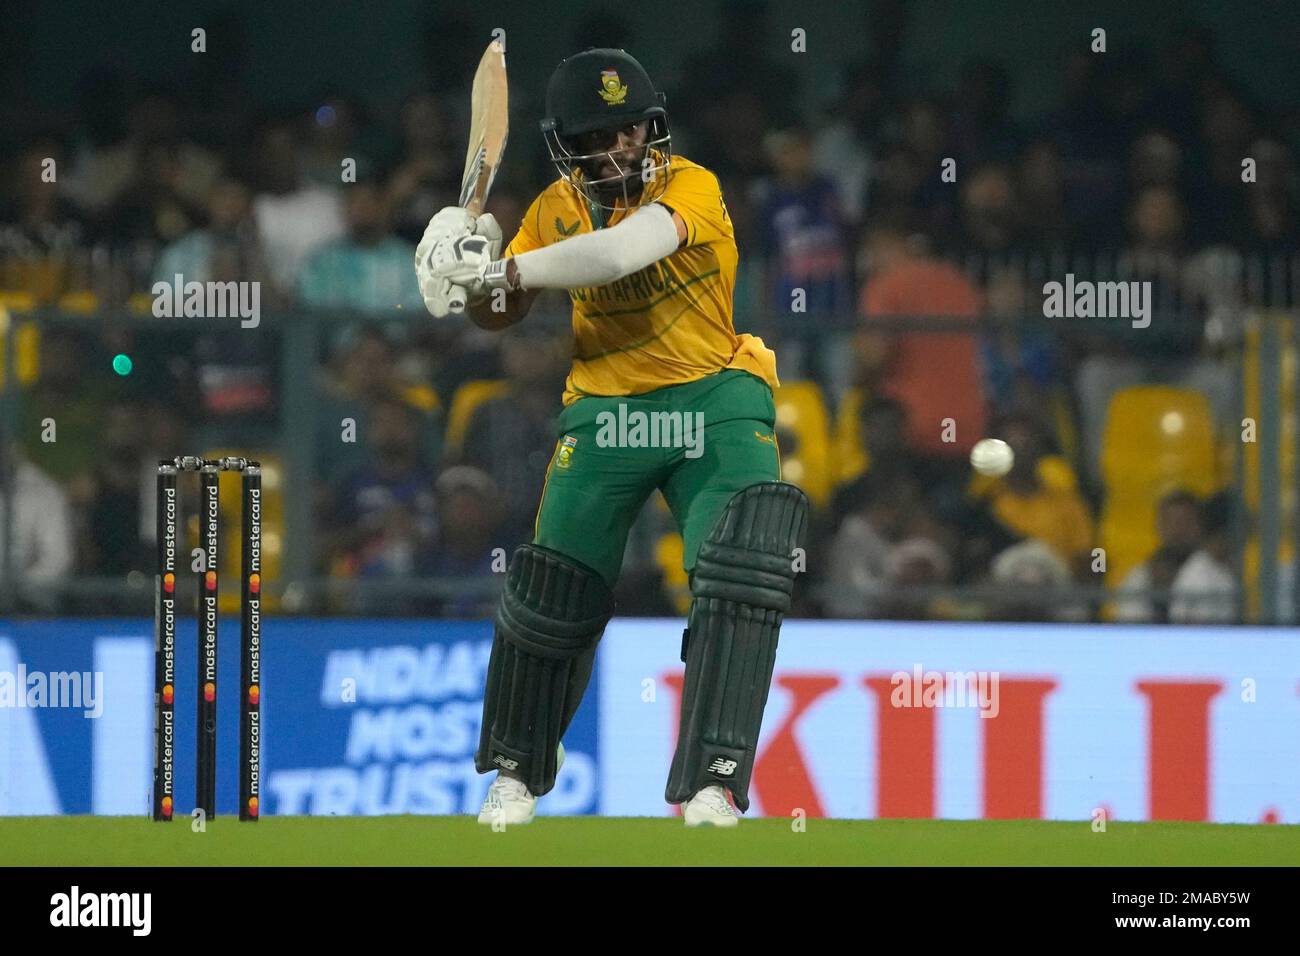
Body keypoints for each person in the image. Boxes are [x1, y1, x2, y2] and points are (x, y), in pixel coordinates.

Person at [415, 48, 808, 828]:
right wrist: (467, 260)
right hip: (608, 409)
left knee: (740, 571)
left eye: (632, 131)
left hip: (716, 398)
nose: (622, 149)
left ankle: (715, 783)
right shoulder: (553, 213)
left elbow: (624, 252)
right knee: (552, 592)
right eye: (602, 137)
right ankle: (516, 776)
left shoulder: (693, 186)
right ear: (570, 146)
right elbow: (500, 316)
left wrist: (509, 273)